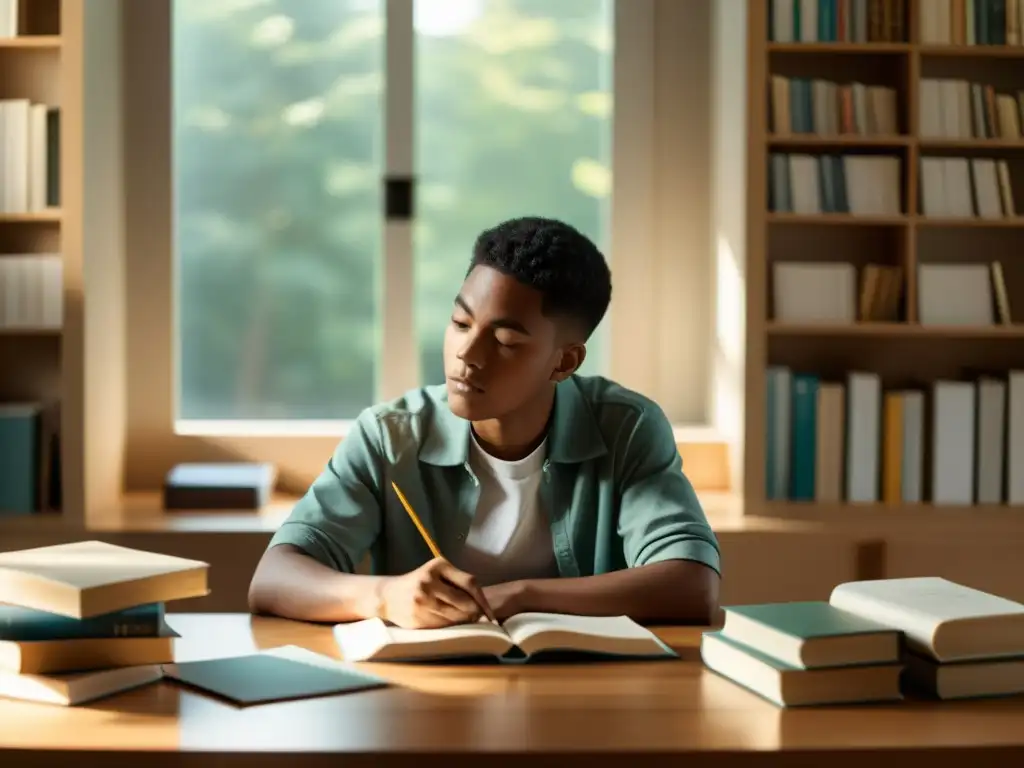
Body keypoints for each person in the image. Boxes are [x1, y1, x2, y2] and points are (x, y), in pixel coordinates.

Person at [248, 216, 721, 629]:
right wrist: (383, 596)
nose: (467, 355)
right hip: (426, 693)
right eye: (460, 323)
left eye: (506, 341)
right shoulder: (391, 436)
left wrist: (521, 596)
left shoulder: (627, 427)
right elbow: (273, 578)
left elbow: (691, 584)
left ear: (564, 362)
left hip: (581, 693)